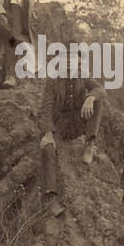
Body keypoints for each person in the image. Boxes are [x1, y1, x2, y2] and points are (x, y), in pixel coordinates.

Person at [37, 62, 106, 217]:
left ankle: (89, 144)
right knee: (47, 149)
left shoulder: (83, 75)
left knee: (98, 101)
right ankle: (50, 198)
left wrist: (90, 97)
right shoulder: (52, 79)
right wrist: (48, 133)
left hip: (76, 123)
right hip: (59, 125)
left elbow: (100, 89)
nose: (69, 65)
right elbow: (46, 109)